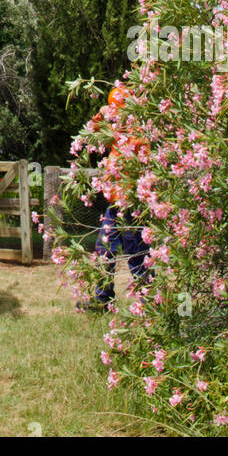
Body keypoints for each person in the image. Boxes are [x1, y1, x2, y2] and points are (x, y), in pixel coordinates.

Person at [79, 81, 150, 311]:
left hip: (131, 207)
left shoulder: (138, 136)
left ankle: (150, 304)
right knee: (104, 251)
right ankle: (103, 299)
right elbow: (90, 133)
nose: (114, 117)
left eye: (116, 111)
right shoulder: (115, 134)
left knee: (137, 255)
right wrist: (100, 115)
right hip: (114, 207)